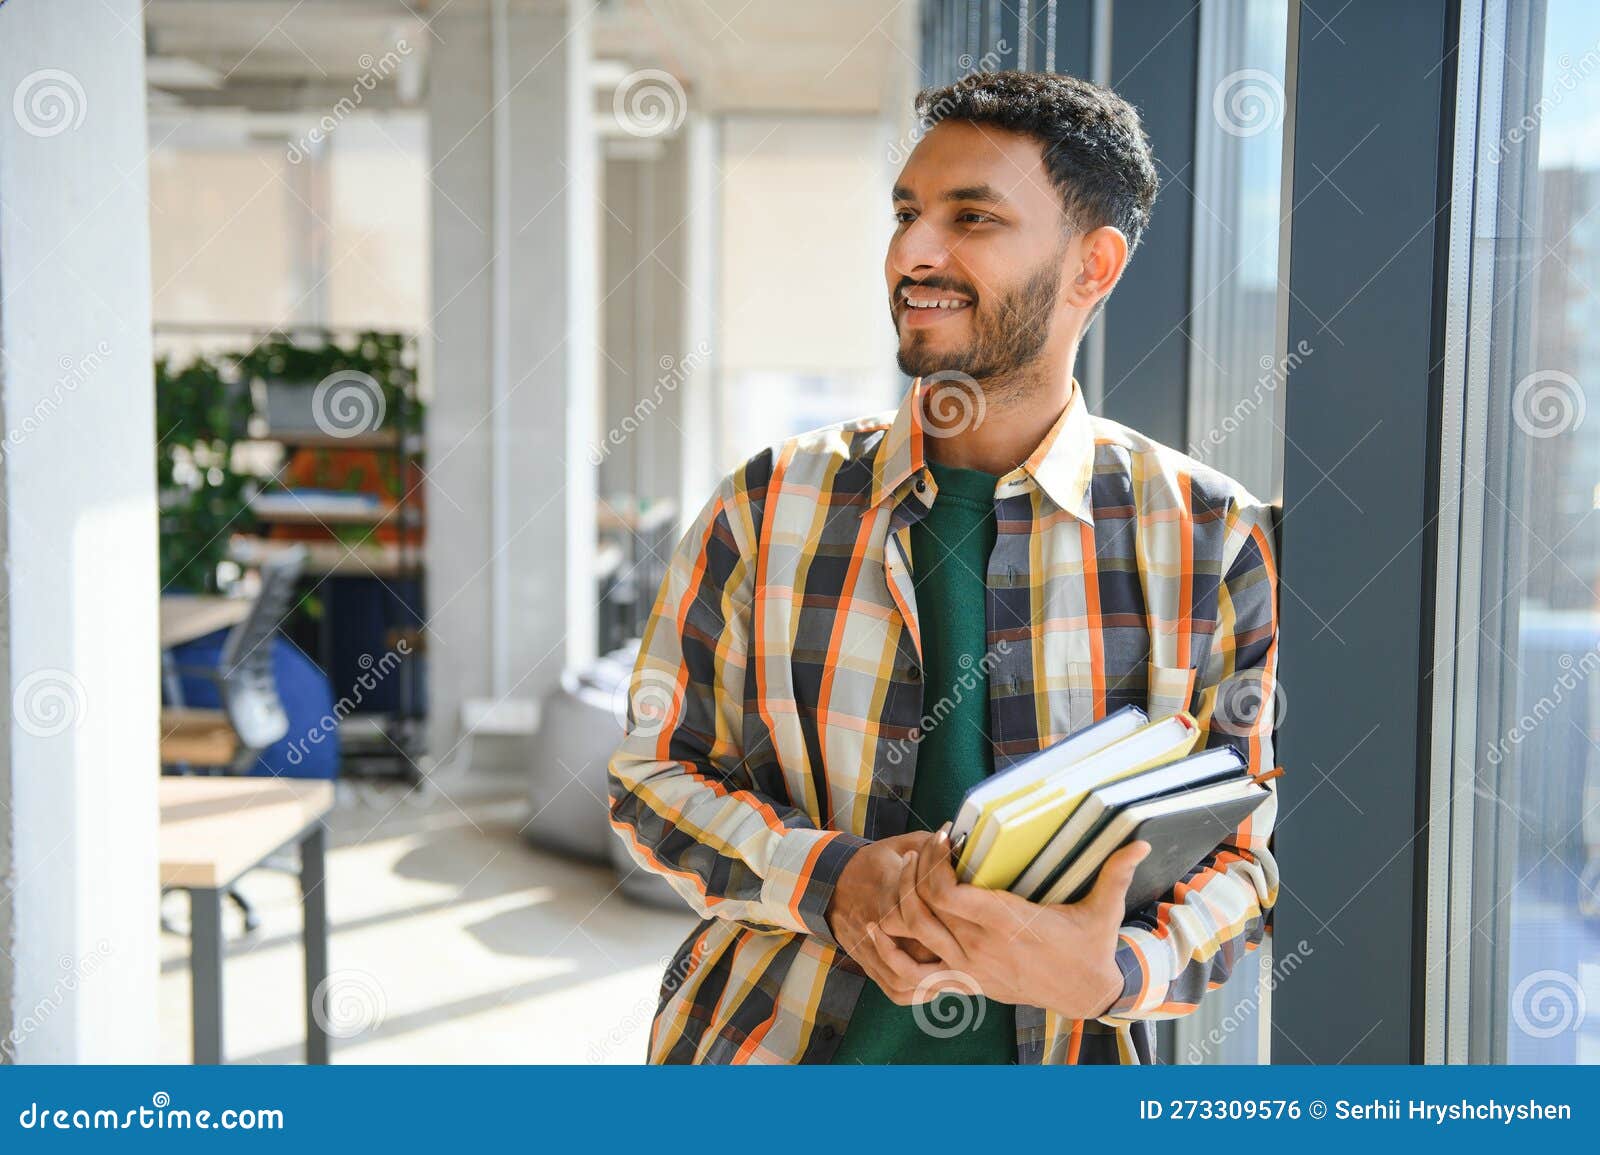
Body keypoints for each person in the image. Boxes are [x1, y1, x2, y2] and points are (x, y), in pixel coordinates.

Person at [608, 70, 1280, 1065]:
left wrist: (1112, 974)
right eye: (907, 213)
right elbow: (652, 775)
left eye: (972, 218)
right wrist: (831, 877)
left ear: (1092, 266)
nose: (913, 252)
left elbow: (1247, 848)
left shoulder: (1213, 537)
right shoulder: (767, 501)